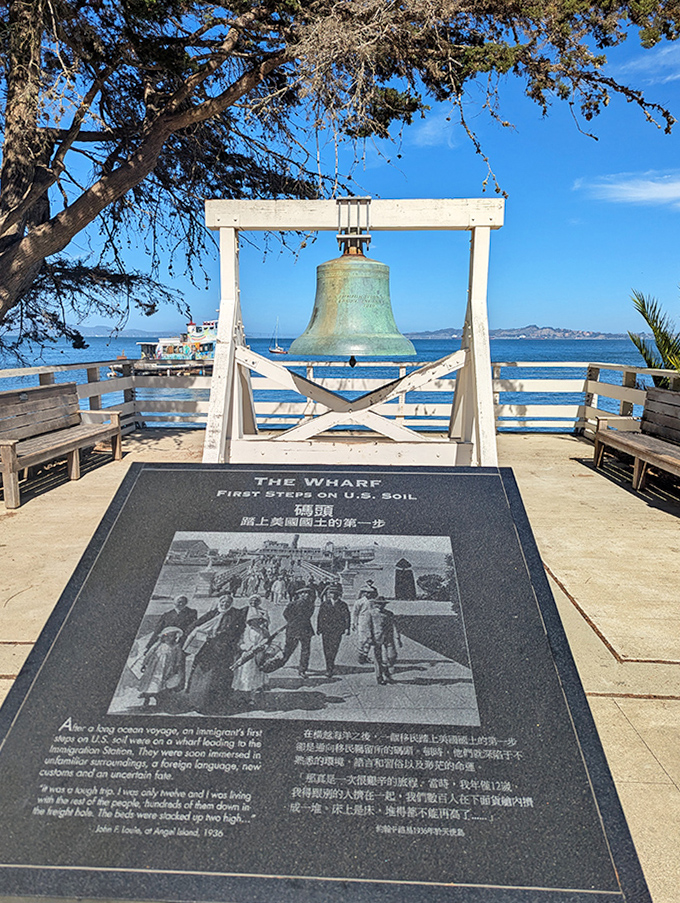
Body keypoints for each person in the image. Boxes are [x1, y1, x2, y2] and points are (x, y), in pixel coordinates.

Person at [182, 594, 248, 714]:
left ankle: (216, 703)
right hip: (206, 650)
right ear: (219, 602)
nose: (225, 604)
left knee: (218, 676)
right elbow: (195, 625)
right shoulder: (213, 613)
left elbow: (237, 631)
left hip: (223, 651)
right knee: (202, 674)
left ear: (231, 603)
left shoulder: (235, 615)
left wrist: (220, 636)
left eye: (228, 602)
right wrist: (196, 633)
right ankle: (197, 702)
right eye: (223, 602)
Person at [232, 597, 270, 703]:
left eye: (258, 621)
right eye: (253, 621)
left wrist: (263, 647)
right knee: (245, 675)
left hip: (259, 656)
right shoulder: (246, 631)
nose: (256, 623)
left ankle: (252, 696)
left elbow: (268, 641)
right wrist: (247, 647)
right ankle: (242, 695)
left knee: (255, 675)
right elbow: (241, 643)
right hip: (248, 655)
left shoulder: (263, 631)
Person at [137, 627, 185, 706]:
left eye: (171, 636)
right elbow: (149, 654)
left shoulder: (176, 647)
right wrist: (144, 664)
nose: (169, 638)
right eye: (167, 636)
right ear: (163, 637)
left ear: (175, 637)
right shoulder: (158, 645)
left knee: (162, 683)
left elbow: (178, 658)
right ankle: (147, 698)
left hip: (166, 668)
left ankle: (159, 699)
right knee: (151, 682)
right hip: (153, 667)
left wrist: (176, 666)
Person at [316, 583, 351, 677]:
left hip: (337, 630)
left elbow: (347, 617)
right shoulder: (324, 604)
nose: (333, 595)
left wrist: (347, 628)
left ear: (339, 594)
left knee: (334, 648)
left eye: (335, 593)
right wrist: (319, 628)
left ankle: (331, 663)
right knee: (326, 648)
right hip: (326, 630)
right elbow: (320, 617)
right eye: (331, 593)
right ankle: (329, 668)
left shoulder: (343, 605)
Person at [280, 586, 316, 677]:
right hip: (294, 629)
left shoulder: (311, 605)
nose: (306, 595)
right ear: (300, 595)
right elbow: (285, 614)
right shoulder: (292, 604)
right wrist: (293, 623)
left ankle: (302, 669)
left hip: (305, 629)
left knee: (305, 650)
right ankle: (281, 662)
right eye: (304, 593)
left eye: (308, 593)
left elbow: (308, 616)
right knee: (289, 648)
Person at [367, 596, 402, 685]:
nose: (381, 606)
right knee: (377, 658)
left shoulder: (389, 614)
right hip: (376, 638)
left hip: (388, 637)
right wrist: (369, 638)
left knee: (392, 655)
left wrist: (398, 638)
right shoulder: (371, 613)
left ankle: (387, 670)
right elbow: (368, 626)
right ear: (375, 604)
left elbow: (395, 626)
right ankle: (379, 676)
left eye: (383, 604)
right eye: (379, 604)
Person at [352, 588, 376, 662]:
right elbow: (354, 613)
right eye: (367, 592)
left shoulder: (373, 602)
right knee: (362, 640)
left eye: (371, 593)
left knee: (370, 639)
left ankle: (365, 655)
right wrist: (353, 623)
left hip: (372, 622)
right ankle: (360, 656)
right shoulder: (359, 602)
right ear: (364, 593)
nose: (369, 594)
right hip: (362, 622)